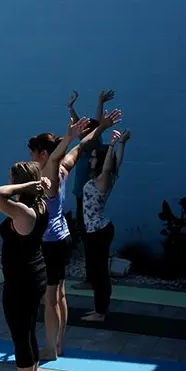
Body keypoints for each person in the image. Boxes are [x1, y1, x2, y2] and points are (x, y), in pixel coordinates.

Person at [28, 109, 121, 359]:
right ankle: (58, 344)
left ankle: (50, 348)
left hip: (49, 242)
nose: (31, 157)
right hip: (63, 238)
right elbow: (83, 146)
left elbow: (64, 152)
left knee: (50, 299)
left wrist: (68, 138)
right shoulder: (63, 169)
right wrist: (101, 127)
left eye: (34, 153)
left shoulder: (50, 173)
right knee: (60, 293)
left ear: (44, 154)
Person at [0, 163, 50, 371]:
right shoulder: (41, 204)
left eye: (12, 178)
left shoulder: (24, 212)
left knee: (21, 335)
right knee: (29, 331)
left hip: (21, 281)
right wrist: (34, 186)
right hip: (34, 275)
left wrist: (23, 186)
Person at [81, 129, 131, 322]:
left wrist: (111, 145)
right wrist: (122, 144)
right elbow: (118, 163)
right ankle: (100, 309)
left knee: (99, 273)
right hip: (96, 230)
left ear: (101, 160)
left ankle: (100, 312)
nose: (90, 160)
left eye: (94, 157)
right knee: (97, 272)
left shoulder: (104, 179)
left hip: (99, 232)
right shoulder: (99, 179)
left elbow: (110, 166)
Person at [68, 89, 115, 291]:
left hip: (86, 201)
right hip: (83, 198)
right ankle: (93, 277)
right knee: (88, 240)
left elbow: (97, 126)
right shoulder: (88, 144)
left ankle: (91, 278)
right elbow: (88, 125)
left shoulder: (92, 145)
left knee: (89, 241)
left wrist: (100, 104)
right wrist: (71, 108)